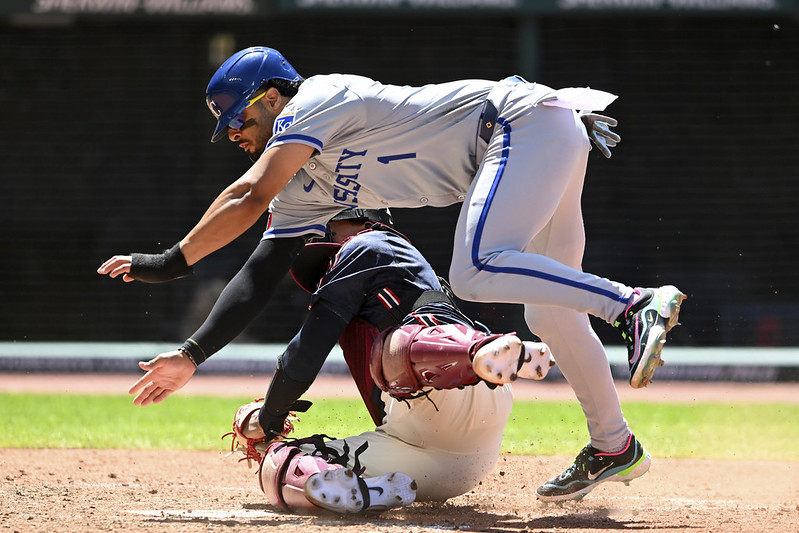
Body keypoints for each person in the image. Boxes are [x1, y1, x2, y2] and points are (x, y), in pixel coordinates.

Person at [97, 46, 686, 502]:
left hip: (516, 123)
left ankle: (632, 305)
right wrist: (191, 355)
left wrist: (168, 263)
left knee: (477, 268)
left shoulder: (316, 98)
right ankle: (614, 444)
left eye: (238, 115)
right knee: (550, 312)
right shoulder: (306, 187)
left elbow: (249, 195)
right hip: (537, 134)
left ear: (275, 96)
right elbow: (260, 273)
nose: (231, 132)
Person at [164, 208, 559, 513]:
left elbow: (305, 351)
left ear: (357, 218)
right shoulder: (400, 268)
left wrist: (267, 416)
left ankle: (480, 353)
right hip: (443, 458)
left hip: (447, 384)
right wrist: (270, 434)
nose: (326, 256)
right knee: (280, 465)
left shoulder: (368, 243)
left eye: (329, 234)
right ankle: (376, 493)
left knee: (391, 352)